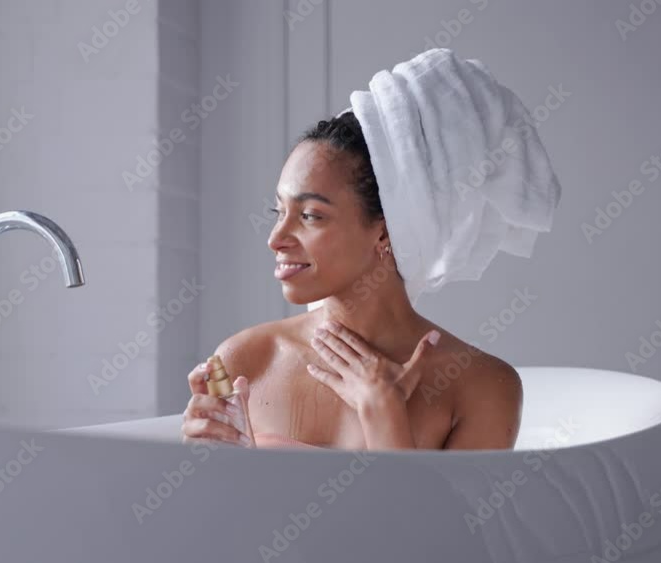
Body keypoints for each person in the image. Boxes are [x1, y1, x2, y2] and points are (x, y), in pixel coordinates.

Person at [181, 111, 523, 451]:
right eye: (279, 212)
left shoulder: (482, 387)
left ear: (384, 232)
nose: (275, 239)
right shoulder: (247, 360)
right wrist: (198, 465)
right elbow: (215, 490)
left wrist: (385, 419)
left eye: (309, 215)